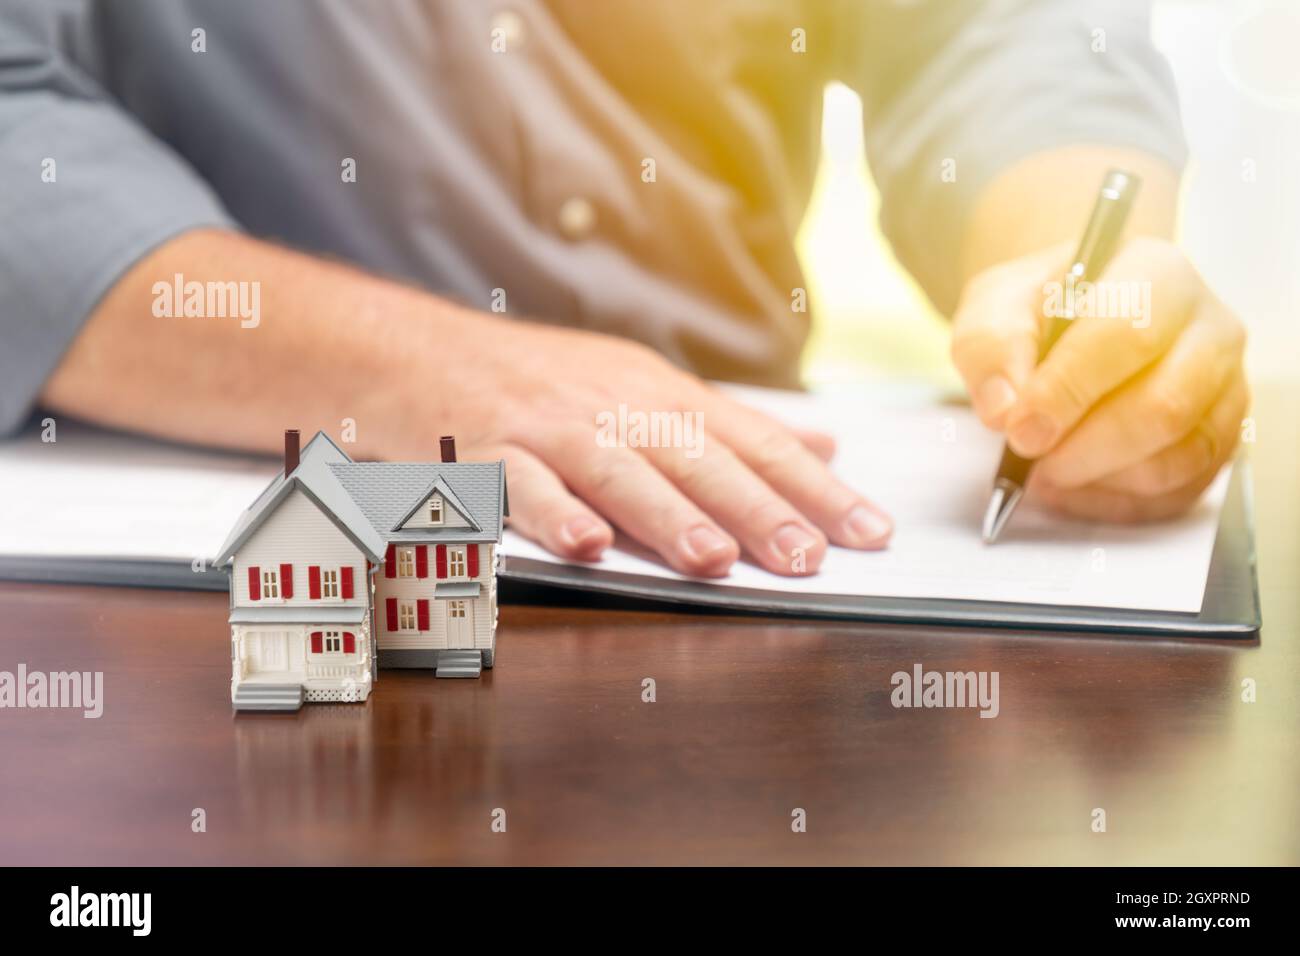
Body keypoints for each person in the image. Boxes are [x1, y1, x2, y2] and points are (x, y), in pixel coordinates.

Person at [0, 0, 1247, 578]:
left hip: (766, 572)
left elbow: (982, 29)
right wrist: (402, 360)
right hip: (199, 580)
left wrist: (1063, 266)